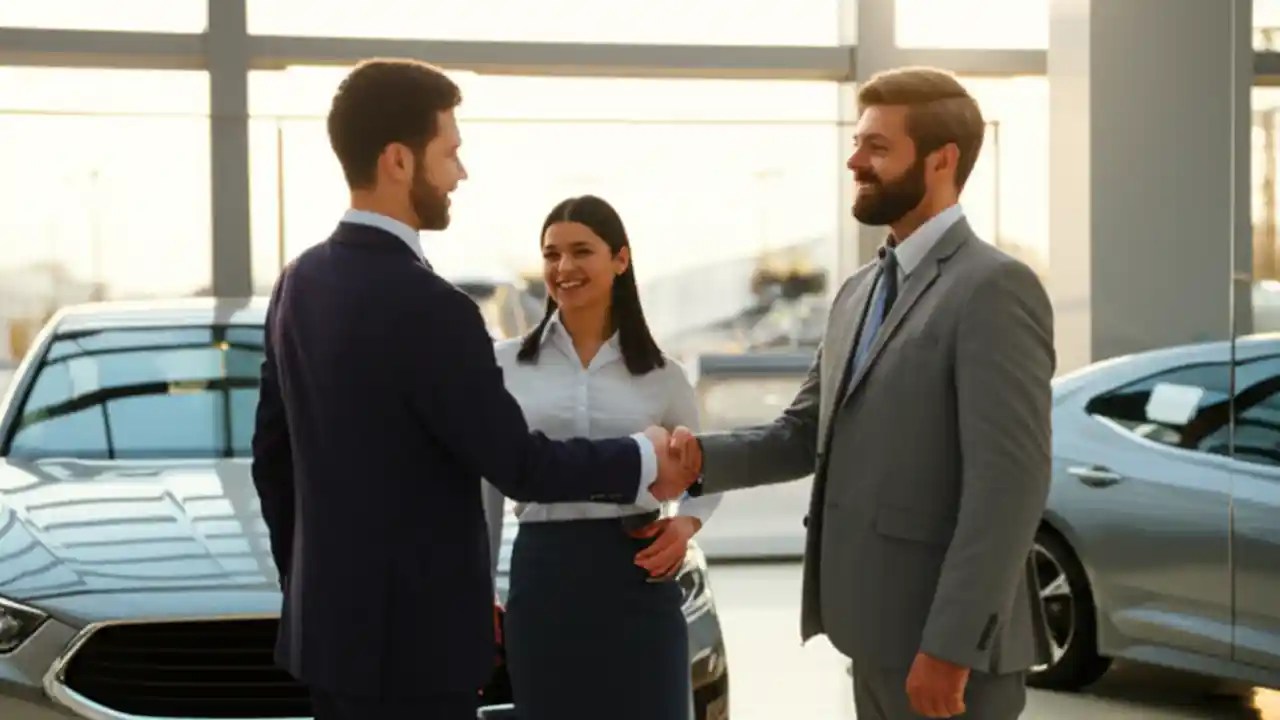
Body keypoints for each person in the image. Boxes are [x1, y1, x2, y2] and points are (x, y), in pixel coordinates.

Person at [250, 59, 694, 720]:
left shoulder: (296, 285)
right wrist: (645, 456)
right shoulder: (437, 309)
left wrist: (317, 589)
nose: (461, 172)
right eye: (449, 152)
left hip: (331, 640)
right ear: (399, 161)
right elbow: (518, 463)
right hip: (421, 649)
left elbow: (272, 462)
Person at [669, 66, 1055, 720]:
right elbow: (802, 432)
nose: (854, 161)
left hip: (946, 654)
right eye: (857, 143)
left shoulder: (994, 288)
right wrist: (696, 459)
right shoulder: (857, 292)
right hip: (872, 637)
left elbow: (1008, 486)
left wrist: (951, 648)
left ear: (942, 160)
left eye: (877, 147)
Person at [484, 195, 721, 720]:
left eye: (580, 251)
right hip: (545, 575)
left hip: (636, 573)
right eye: (551, 254)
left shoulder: (662, 374)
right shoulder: (504, 367)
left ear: (620, 259)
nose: (563, 268)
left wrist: (684, 525)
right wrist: (480, 588)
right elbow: (487, 486)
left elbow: (709, 467)